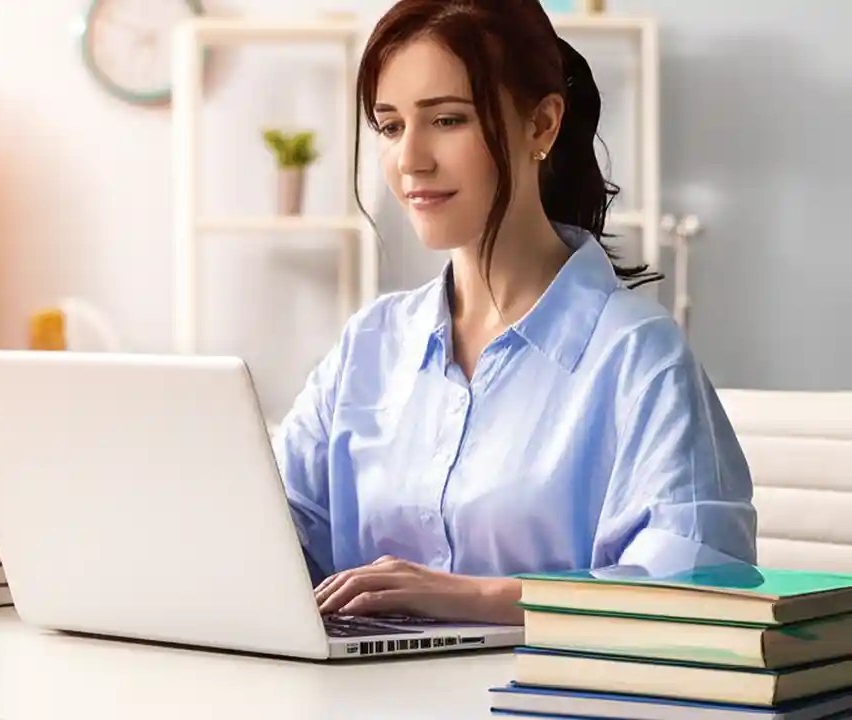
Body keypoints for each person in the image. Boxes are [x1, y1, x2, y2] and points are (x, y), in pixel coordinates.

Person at [273, 0, 757, 626]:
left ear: (542, 125)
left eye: (447, 120)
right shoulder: (370, 344)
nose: (411, 159)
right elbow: (275, 535)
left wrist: (481, 599)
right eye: (390, 127)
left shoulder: (638, 356)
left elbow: (700, 596)